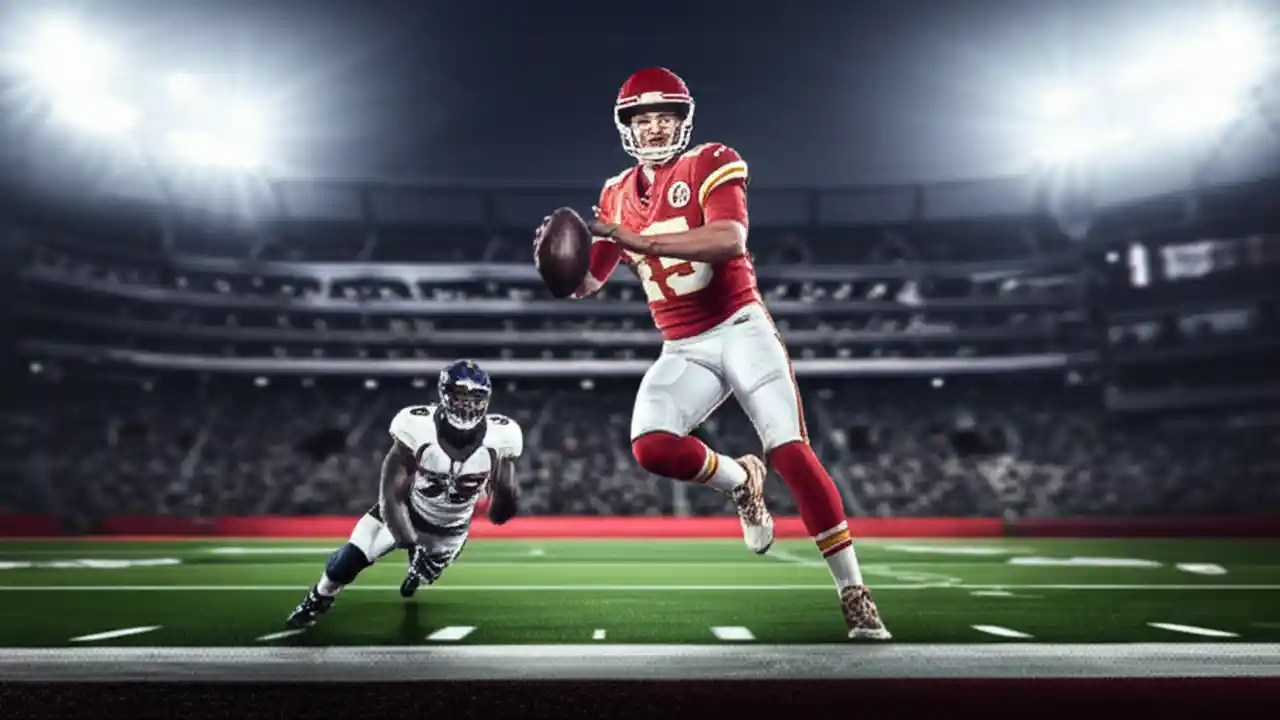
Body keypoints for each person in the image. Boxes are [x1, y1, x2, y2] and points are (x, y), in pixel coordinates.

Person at [535, 67, 889, 640]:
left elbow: (730, 238)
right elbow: (589, 284)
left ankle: (854, 591)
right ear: (627, 128)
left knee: (792, 453)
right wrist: (558, 267)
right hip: (683, 344)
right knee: (651, 446)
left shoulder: (712, 160)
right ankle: (739, 481)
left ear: (684, 120)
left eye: (665, 118)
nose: (654, 129)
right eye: (643, 120)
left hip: (740, 326)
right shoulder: (613, 193)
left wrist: (642, 240)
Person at [285, 360, 521, 629]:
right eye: (460, 396)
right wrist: (406, 537)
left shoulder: (502, 436)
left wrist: (505, 495)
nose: (468, 405)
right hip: (409, 508)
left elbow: (501, 513)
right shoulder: (417, 426)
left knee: (424, 575)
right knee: (349, 560)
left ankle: (417, 571)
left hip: (450, 528)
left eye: (476, 398)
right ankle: (318, 597)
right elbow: (390, 494)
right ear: (444, 395)